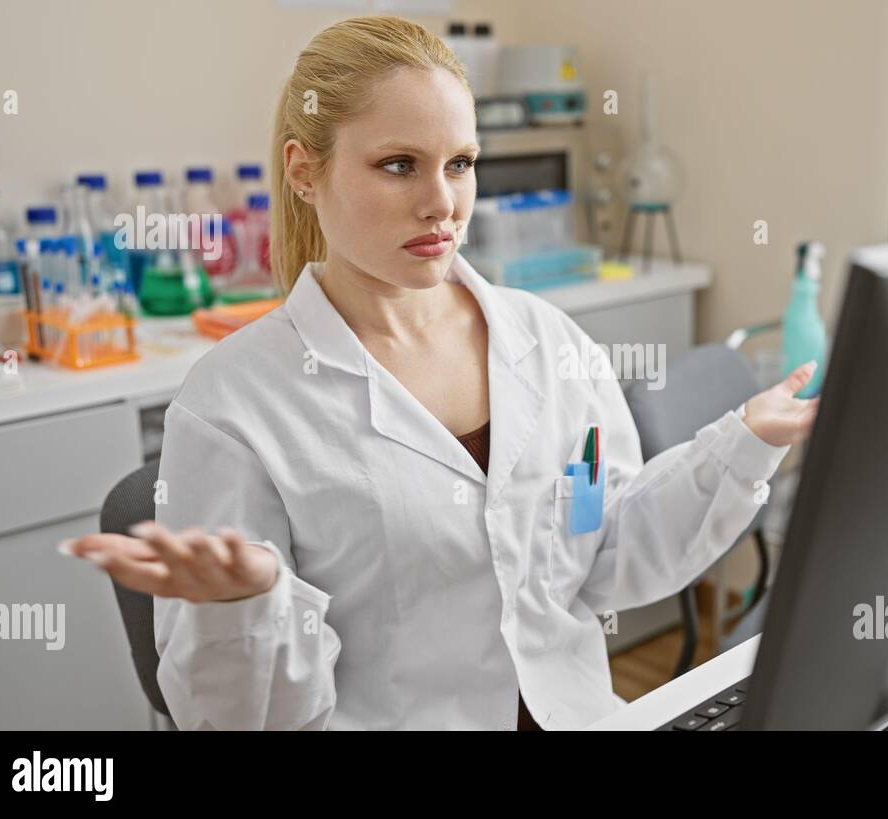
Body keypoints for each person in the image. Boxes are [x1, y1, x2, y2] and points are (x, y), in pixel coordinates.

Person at [60, 15, 818, 730]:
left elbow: (607, 552)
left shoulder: (544, 340)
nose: (442, 203)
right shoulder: (233, 405)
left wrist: (744, 442)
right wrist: (248, 604)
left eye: (460, 164)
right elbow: (235, 719)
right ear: (303, 171)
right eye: (399, 165)